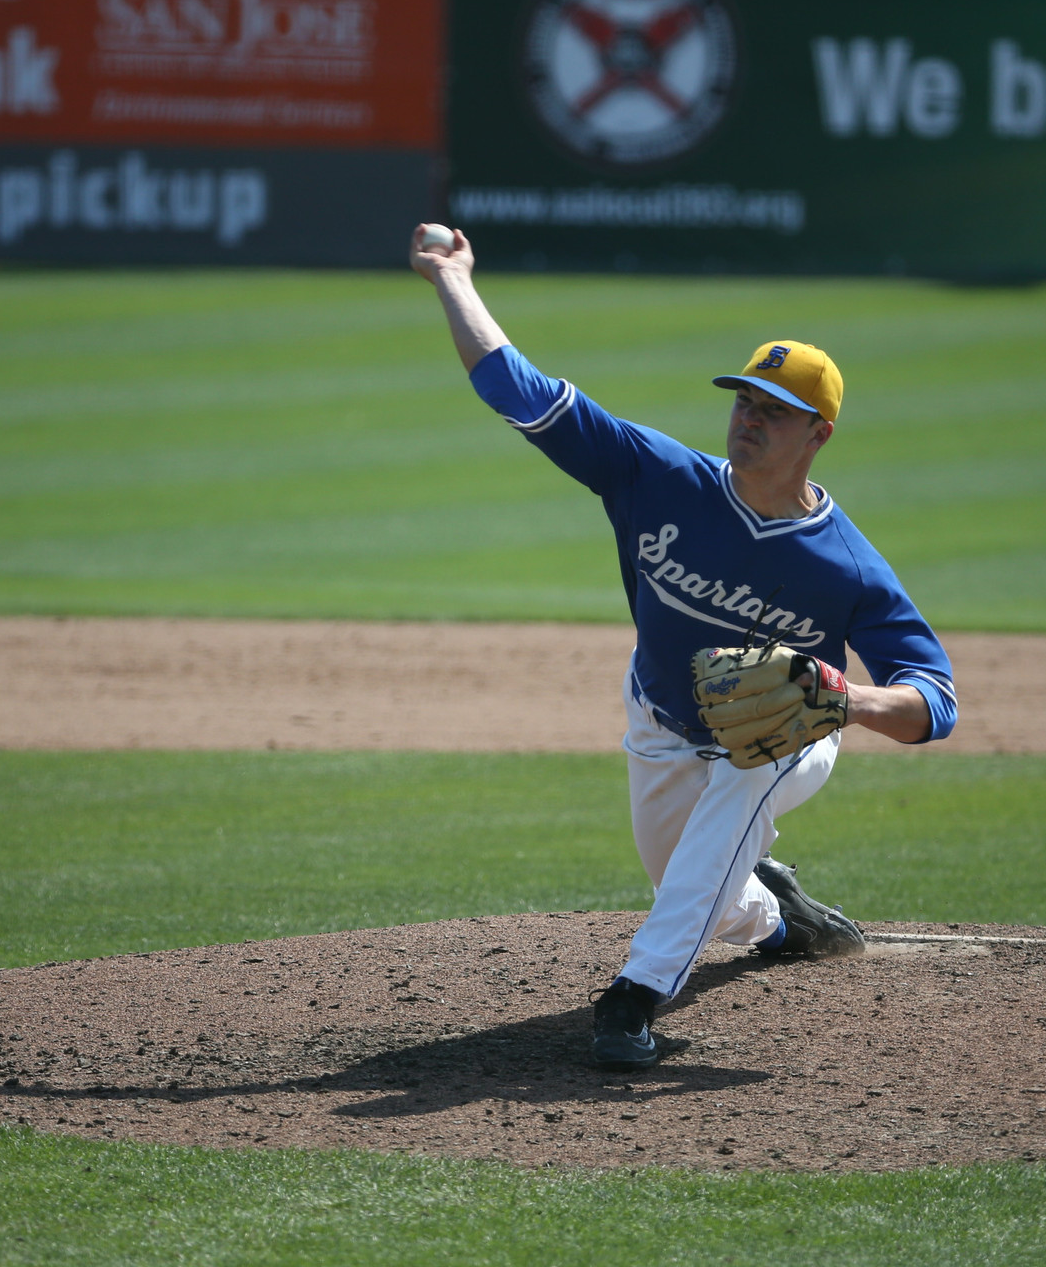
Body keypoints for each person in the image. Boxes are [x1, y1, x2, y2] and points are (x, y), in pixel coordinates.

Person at [410, 225, 958, 1070]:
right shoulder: (656, 475)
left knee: (752, 762)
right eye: (745, 400)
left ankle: (632, 998)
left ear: (820, 434)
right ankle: (778, 918)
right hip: (660, 715)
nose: (751, 419)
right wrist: (453, 278)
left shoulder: (845, 565)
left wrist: (844, 701)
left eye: (776, 412)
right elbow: (515, 389)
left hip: (787, 730)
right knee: (691, 881)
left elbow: (935, 699)